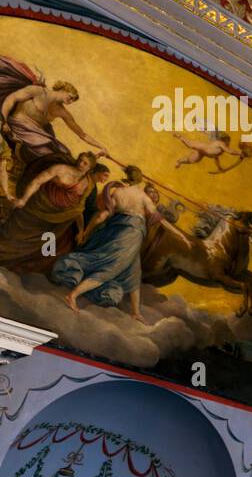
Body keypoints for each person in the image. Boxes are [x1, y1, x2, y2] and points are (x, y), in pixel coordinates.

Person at [49, 165, 185, 320]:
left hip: (120, 233)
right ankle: (73, 295)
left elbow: (102, 216)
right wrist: (179, 235)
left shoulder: (118, 192)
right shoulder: (142, 197)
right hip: (129, 237)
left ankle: (136, 313)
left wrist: (86, 232)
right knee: (111, 267)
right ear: (140, 180)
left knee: (134, 273)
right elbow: (160, 219)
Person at [0, 152, 108, 272]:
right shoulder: (60, 169)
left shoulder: (88, 184)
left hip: (60, 217)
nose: (80, 163)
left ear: (89, 168)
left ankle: (31, 265)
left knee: (47, 243)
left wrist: (81, 231)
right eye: (80, 160)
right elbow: (37, 182)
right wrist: (24, 199)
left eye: (85, 163)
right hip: (39, 207)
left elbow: (78, 208)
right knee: (14, 235)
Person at [0, 55, 104, 165]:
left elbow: (82, 134)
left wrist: (101, 147)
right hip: (19, 125)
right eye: (71, 97)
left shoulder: (62, 111)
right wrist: (3, 120)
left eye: (73, 100)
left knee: (64, 153)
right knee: (44, 153)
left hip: (38, 134)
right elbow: (11, 99)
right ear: (63, 89)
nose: (71, 101)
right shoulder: (37, 91)